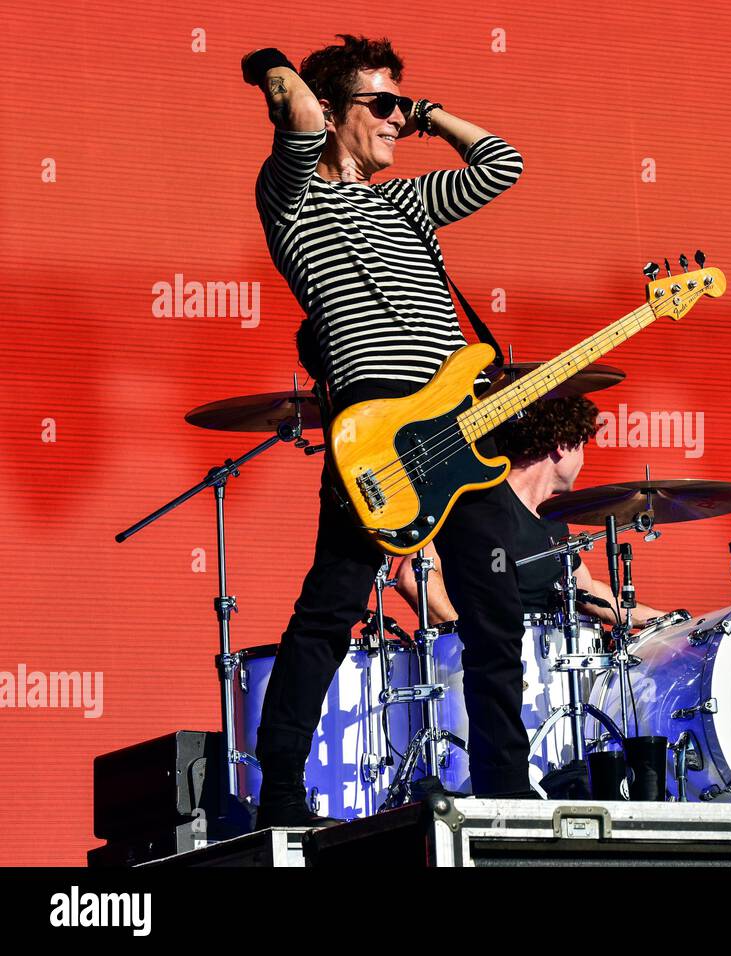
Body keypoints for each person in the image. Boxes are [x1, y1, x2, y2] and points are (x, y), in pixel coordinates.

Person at [242, 35, 530, 827]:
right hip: (375, 423)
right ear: (335, 112)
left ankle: (507, 786)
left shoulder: (404, 200)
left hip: (459, 424)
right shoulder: (293, 197)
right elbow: (297, 117)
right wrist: (271, 65)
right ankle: (282, 792)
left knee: (494, 615)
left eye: (403, 106)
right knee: (331, 606)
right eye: (382, 105)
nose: (396, 121)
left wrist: (427, 112)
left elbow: (502, 164)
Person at [391, 396, 667, 627]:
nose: (583, 460)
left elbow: (588, 593)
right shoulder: (478, 502)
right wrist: (470, 640)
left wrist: (664, 620)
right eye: (582, 447)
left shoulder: (554, 521)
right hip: (488, 667)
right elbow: (414, 578)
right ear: (561, 447)